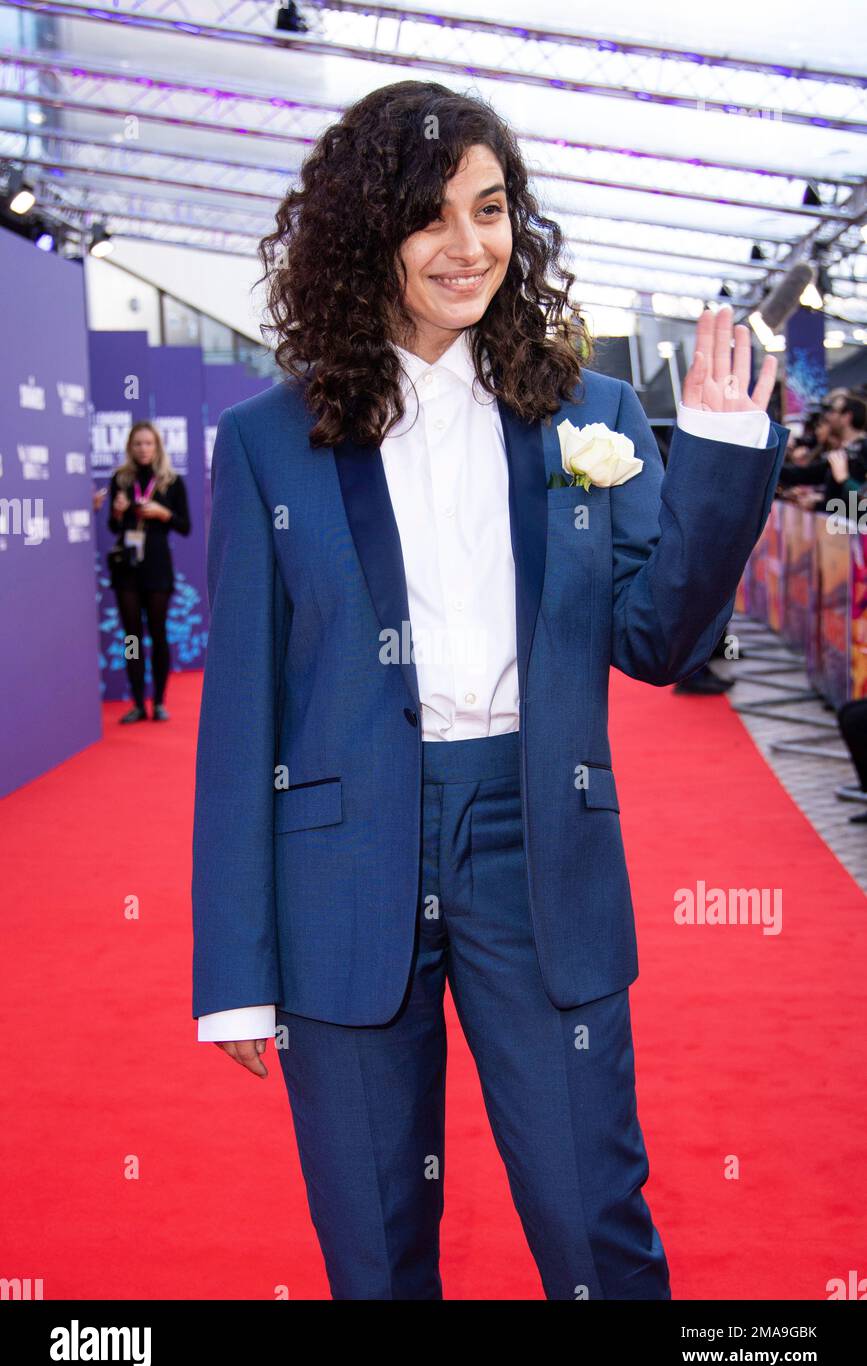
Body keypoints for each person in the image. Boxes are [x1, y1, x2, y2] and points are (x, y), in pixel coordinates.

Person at [191, 81, 788, 1300]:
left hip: (535, 847)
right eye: (433, 215)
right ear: (371, 232)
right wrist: (233, 972)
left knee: (594, 1232)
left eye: (493, 208)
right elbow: (239, 717)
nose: (472, 246)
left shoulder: (592, 414)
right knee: (375, 1253)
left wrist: (719, 459)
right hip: (345, 872)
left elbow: (660, 642)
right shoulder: (269, 441)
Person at [108, 420, 190, 723]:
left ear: (157, 446)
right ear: (130, 447)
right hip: (128, 569)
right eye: (138, 443)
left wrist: (162, 512)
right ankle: (138, 702)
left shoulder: (171, 481)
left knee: (157, 634)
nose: (143, 449)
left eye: (148, 443)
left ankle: (158, 701)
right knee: (132, 637)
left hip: (157, 567)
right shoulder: (121, 478)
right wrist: (118, 510)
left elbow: (185, 526)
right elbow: (113, 526)